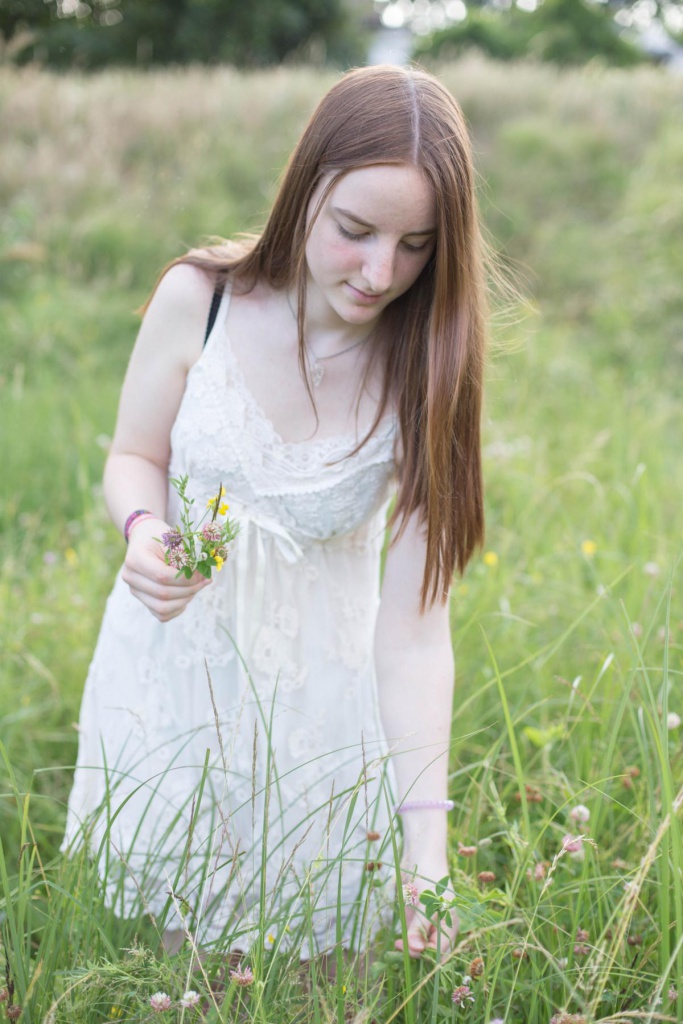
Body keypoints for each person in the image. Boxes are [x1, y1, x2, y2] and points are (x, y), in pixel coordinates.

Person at [63, 63, 486, 964]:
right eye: (354, 231)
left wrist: (426, 850)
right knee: (176, 973)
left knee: (317, 978)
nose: (380, 272)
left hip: (319, 714)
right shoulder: (201, 301)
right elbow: (134, 456)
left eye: (416, 245)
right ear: (304, 192)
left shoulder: (428, 367)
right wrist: (145, 530)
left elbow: (416, 634)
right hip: (175, 682)